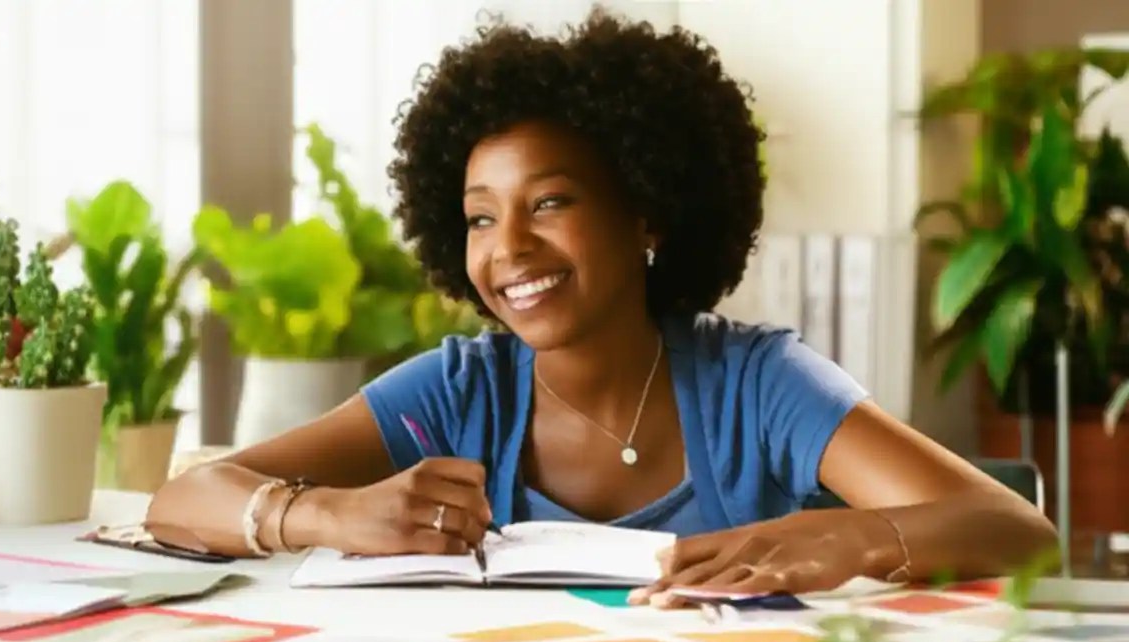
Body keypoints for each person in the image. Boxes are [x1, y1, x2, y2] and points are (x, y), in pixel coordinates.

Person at [147, 8, 1056, 606]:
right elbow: (183, 500)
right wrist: (327, 516)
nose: (509, 250)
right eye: (478, 218)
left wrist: (848, 539)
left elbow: (1019, 530)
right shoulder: (461, 393)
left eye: (549, 202)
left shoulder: (757, 383)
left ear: (645, 212)